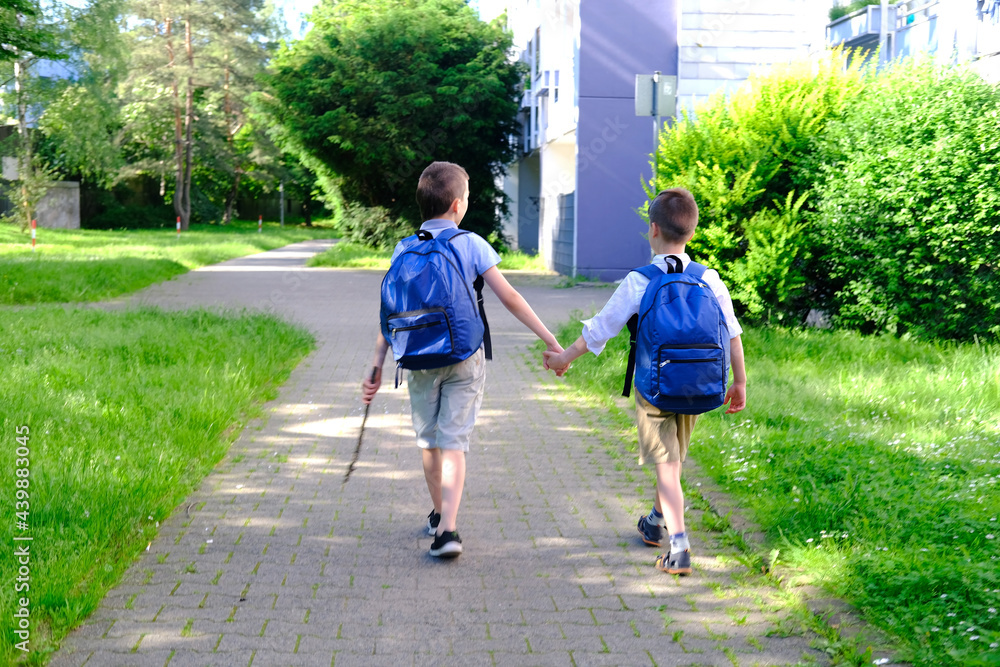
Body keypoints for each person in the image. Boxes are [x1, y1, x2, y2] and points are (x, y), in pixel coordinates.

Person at [362, 161, 563, 559]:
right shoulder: (471, 244)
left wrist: (376, 364)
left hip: (417, 359)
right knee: (454, 441)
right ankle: (448, 531)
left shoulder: (404, 248)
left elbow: (390, 311)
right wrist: (551, 340)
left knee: (428, 440)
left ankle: (439, 514)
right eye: (467, 198)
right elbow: (510, 298)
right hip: (465, 356)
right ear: (457, 205)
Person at [543, 188, 746, 575]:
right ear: (692, 231)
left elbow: (600, 330)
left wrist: (562, 359)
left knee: (667, 465)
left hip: (655, 389)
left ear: (653, 230)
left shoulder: (641, 280)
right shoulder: (710, 278)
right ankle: (655, 521)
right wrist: (740, 383)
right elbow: (732, 334)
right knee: (672, 462)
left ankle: (680, 548)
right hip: (700, 385)